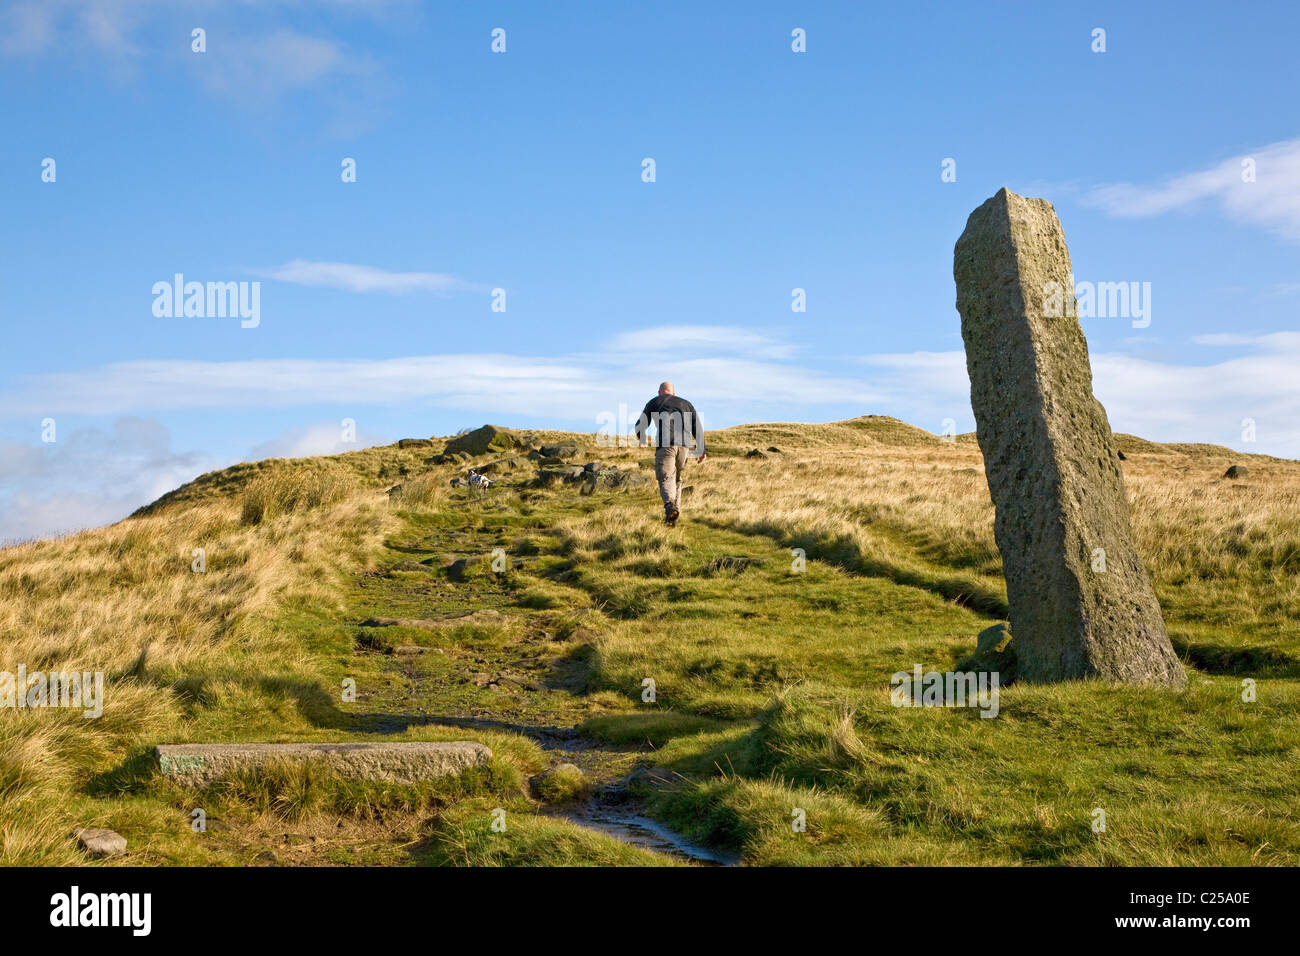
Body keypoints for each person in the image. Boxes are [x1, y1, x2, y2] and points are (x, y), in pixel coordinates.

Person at [635, 381, 706, 526]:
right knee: (677, 480)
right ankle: (673, 517)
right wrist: (701, 449)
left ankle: (670, 506)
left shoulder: (655, 402)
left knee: (666, 478)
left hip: (666, 444)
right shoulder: (686, 404)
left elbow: (641, 424)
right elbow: (696, 426)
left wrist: (642, 438)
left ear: (659, 392)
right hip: (684, 447)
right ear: (673, 392)